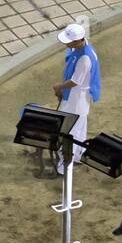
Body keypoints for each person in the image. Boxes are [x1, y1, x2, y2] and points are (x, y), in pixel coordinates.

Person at [52, 23, 101, 174]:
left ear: (77, 41)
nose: (66, 43)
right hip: (76, 98)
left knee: (69, 129)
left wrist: (59, 87)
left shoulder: (85, 58)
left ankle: (65, 164)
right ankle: (77, 154)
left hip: (76, 98)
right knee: (79, 127)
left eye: (69, 41)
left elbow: (75, 81)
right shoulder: (80, 48)